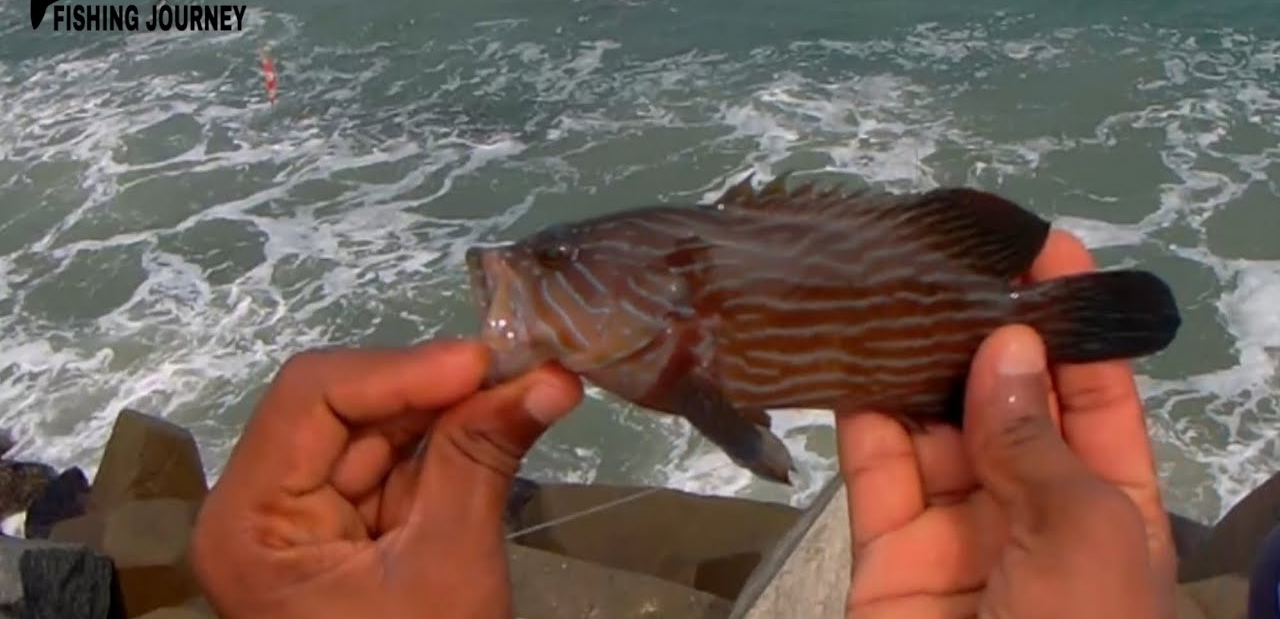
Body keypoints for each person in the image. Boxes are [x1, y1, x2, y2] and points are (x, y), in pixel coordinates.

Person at [189, 229, 1176, 618]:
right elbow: (729, 416)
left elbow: (729, 413)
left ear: (661, 301)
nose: (514, 274)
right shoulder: (663, 341)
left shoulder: (677, 336)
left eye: (560, 266)